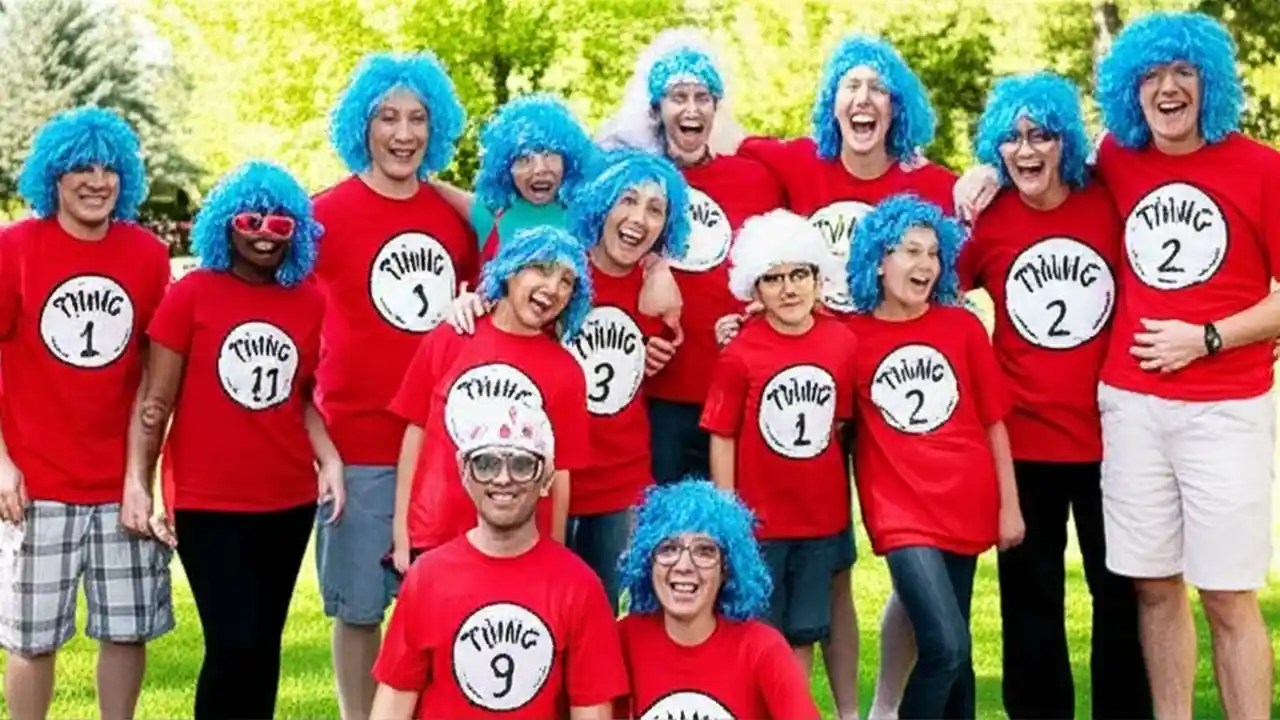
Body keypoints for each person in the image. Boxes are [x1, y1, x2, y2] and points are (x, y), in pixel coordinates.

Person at [955, 12, 1280, 719]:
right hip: (1121, 413)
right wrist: (981, 173)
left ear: (1211, 82)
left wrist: (1212, 336)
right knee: (1148, 589)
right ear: (1131, 90)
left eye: (1184, 72)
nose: (1168, 88)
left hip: (1218, 409)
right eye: (1151, 76)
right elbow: (942, 280)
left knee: (1223, 594)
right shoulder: (1115, 162)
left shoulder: (1256, 169)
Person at [956, 71, 1151, 720]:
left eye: (1041, 135)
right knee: (1029, 601)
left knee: (1119, 594)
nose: (1027, 149)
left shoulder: (1106, 204)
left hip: (1112, 435)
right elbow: (928, 290)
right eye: (1011, 139)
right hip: (1023, 441)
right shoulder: (988, 221)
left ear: (1065, 141)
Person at [134, 161, 344, 720]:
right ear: (225, 224)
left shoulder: (310, 300)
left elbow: (302, 398)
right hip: (208, 501)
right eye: (250, 220)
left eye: (280, 223)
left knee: (264, 645)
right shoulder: (192, 294)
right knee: (234, 642)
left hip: (288, 499)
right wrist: (141, 484)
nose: (264, 234)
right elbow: (156, 402)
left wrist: (330, 461)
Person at [445, 150, 690, 610]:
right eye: (627, 200)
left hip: (618, 480)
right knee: (529, 606)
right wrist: (468, 303)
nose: (638, 218)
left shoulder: (656, 286)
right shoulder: (560, 271)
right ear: (601, 203)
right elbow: (503, 308)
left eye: (655, 209)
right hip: (536, 476)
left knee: (598, 610)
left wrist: (659, 287)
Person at [311, 50, 477, 720]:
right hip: (356, 446)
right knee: (358, 609)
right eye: (388, 117)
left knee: (437, 607)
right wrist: (321, 450)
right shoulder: (323, 217)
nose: (403, 133)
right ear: (363, 124)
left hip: (445, 450)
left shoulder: (457, 218)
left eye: (417, 118)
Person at [0, 107, 173, 720]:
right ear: (54, 176)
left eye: (108, 168)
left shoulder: (148, 255)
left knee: (127, 629)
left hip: (119, 486)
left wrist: (141, 478)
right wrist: (1, 463)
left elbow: (155, 376)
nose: (96, 181)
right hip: (35, 484)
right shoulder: (15, 249)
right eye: (81, 168)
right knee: (31, 638)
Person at [845, 193, 1024, 720]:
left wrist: (1010, 507)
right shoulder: (849, 337)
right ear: (879, 261)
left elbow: (993, 422)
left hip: (966, 501)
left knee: (956, 650)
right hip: (899, 510)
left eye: (933, 253)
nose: (925, 264)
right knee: (946, 645)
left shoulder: (962, 327)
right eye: (910, 251)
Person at [598, 28, 788, 490]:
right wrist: (637, 332)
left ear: (716, 107)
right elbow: (600, 264)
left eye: (702, 97)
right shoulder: (632, 184)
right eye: (677, 97)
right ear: (656, 109)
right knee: (660, 524)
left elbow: (782, 262)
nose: (691, 109)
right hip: (658, 392)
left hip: (738, 386)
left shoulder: (754, 179)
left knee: (734, 525)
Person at [370, 401, 627, 719]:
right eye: (486, 463)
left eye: (522, 464)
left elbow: (592, 711)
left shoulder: (580, 587)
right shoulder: (427, 577)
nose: (503, 478)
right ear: (465, 472)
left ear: (547, 477)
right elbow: (393, 703)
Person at [700, 209, 854, 689]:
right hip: (760, 523)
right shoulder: (740, 352)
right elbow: (722, 433)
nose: (788, 289)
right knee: (758, 632)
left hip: (820, 519)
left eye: (799, 275)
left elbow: (841, 423)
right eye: (773, 278)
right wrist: (729, 515)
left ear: (817, 278)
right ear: (754, 289)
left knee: (804, 633)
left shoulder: (842, 342)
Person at [390, 225, 591, 571]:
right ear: (509, 271)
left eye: (566, 281)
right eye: (541, 269)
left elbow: (561, 474)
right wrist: (401, 531)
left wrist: (555, 554)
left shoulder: (566, 371)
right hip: (437, 536)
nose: (553, 288)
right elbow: (416, 433)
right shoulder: (450, 337)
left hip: (520, 548)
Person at [614, 478, 821, 720]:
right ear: (648, 563)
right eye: (668, 549)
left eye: (704, 551)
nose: (684, 566)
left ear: (726, 569)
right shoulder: (624, 641)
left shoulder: (762, 650)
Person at [430, 93, 597, 270]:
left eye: (549, 154)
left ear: (568, 161)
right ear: (505, 170)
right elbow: (435, 185)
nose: (539, 169)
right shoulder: (490, 217)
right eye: (524, 158)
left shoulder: (586, 222)